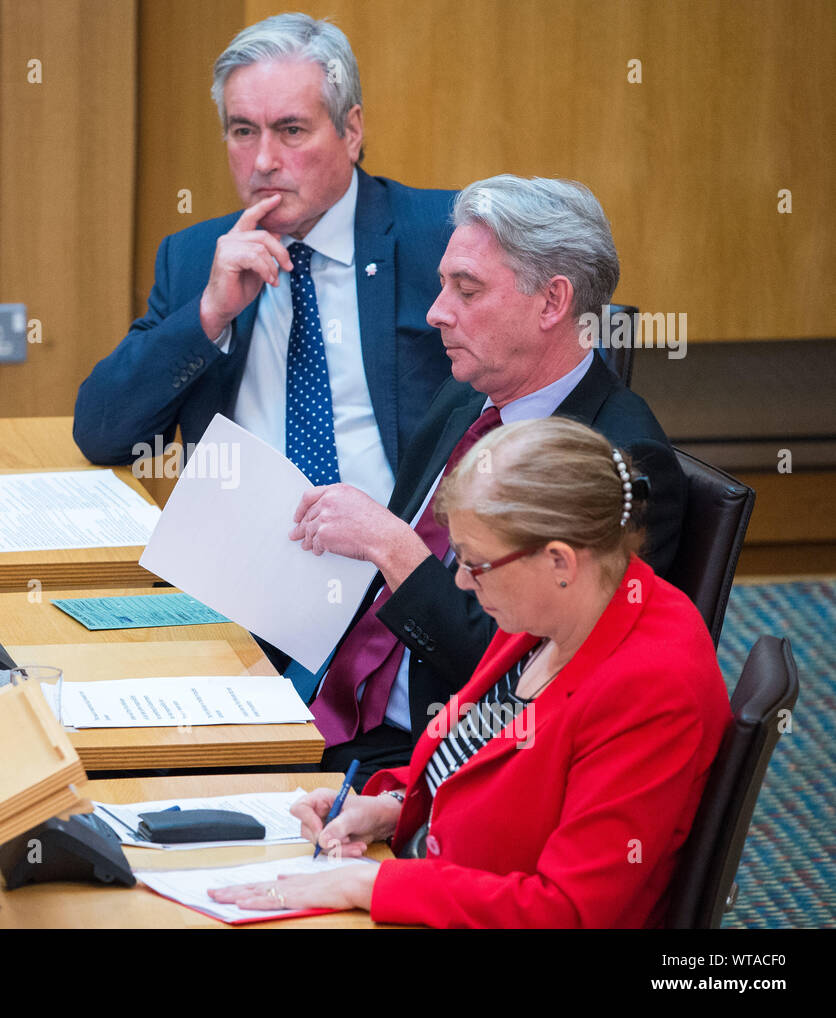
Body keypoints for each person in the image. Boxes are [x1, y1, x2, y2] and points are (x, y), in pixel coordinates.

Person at [208, 418, 730, 927]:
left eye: (475, 563)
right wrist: (386, 806)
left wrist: (367, 885)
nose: (460, 581)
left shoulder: (651, 685)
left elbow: (567, 910)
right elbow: (476, 757)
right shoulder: (553, 610)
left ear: (561, 562)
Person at [290, 174, 687, 786]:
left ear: (552, 303)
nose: (436, 312)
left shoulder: (616, 463)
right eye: (443, 283)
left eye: (466, 290)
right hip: (324, 696)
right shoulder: (468, 393)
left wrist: (395, 549)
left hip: (428, 758)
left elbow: (527, 684)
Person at [73, 13, 456, 509]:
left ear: (352, 130)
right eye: (243, 131)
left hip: (398, 568)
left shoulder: (443, 238)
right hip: (236, 572)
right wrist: (209, 315)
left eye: (291, 130)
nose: (262, 161)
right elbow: (102, 434)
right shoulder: (194, 258)